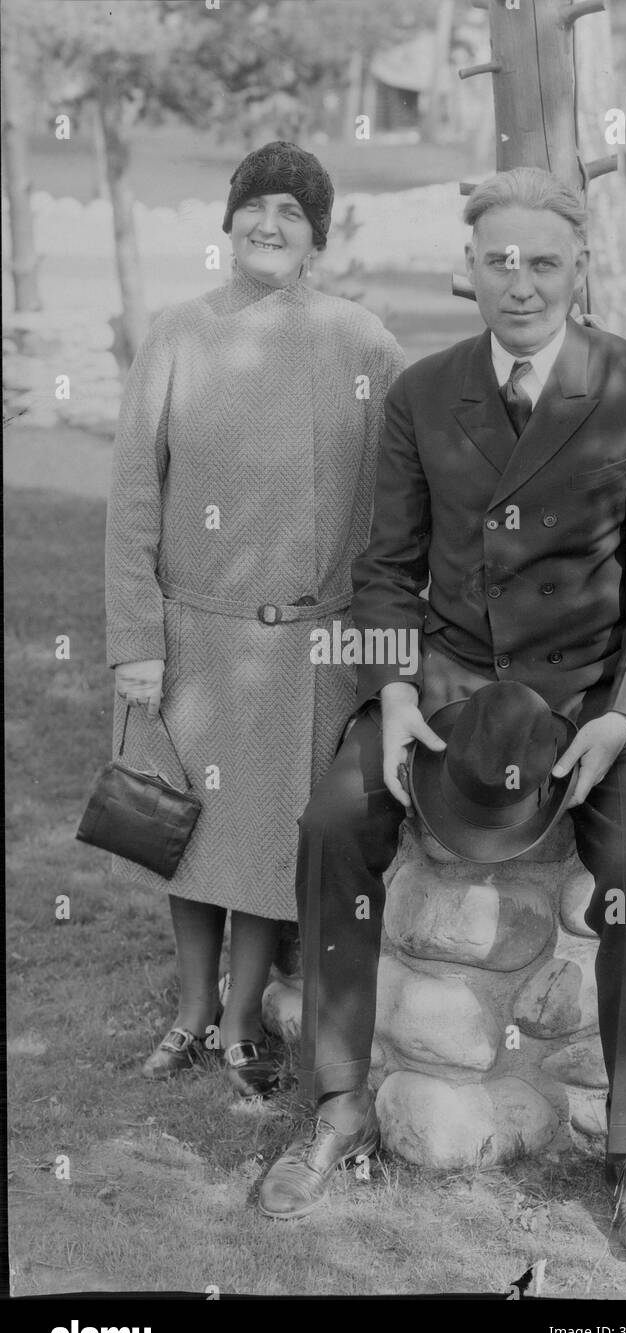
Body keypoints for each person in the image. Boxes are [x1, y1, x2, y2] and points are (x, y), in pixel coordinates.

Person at [258, 167, 626, 1252]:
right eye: (497, 260)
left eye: (540, 261)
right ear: (468, 269)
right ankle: (337, 1107)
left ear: (577, 268)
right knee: (329, 825)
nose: (518, 283)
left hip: (592, 695)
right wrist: (395, 692)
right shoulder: (420, 393)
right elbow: (382, 570)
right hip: (448, 686)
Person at [106, 141, 405, 1097]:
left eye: (293, 212)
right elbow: (130, 501)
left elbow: (415, 466)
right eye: (255, 208)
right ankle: (189, 1014)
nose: (270, 225)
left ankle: (241, 1022)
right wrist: (135, 647)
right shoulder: (179, 333)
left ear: (318, 235)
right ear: (229, 222)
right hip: (193, 636)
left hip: (308, 649)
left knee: (272, 841)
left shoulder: (362, 342)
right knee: (184, 830)